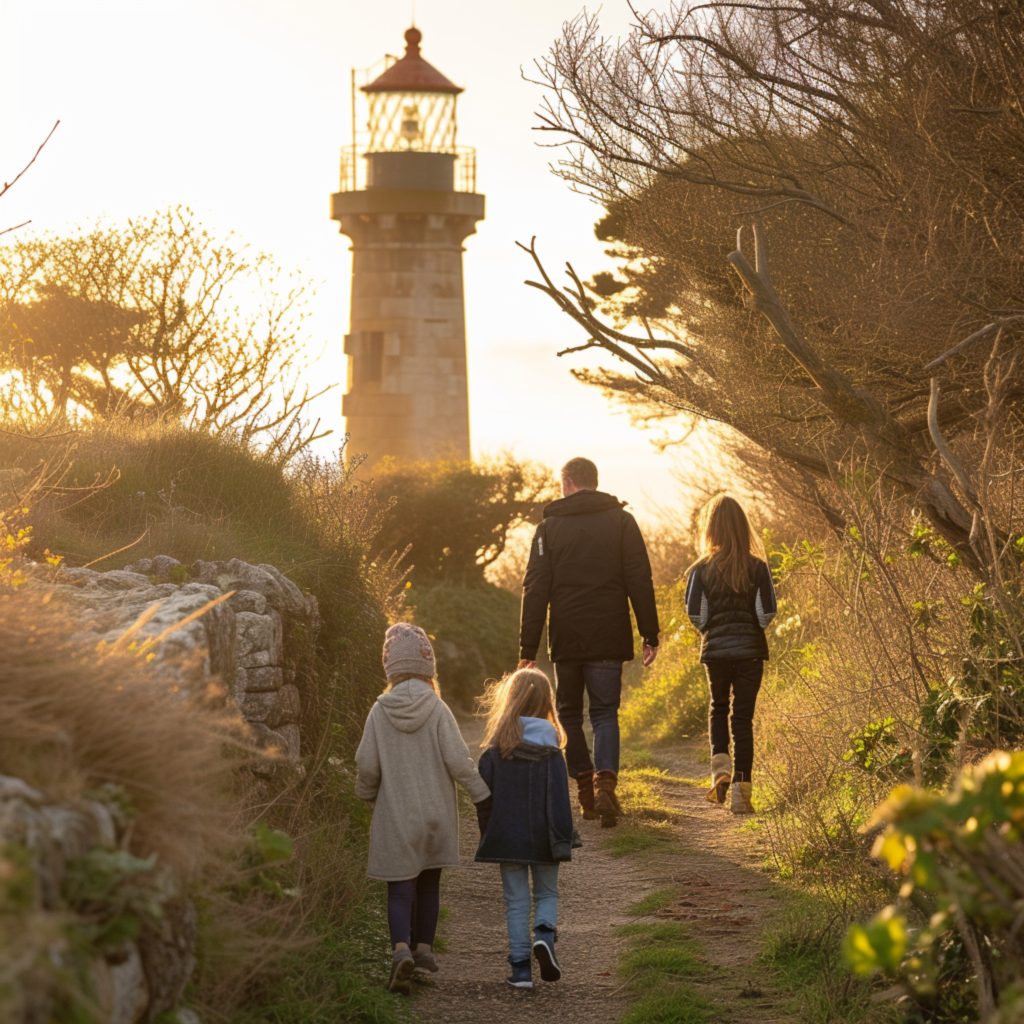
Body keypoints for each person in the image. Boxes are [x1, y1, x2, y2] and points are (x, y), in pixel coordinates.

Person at [519, 456, 660, 827]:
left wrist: (526, 649)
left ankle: (585, 787)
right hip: (609, 634)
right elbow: (639, 579)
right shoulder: (622, 522)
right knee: (604, 713)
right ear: (594, 483)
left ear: (566, 483)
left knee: (568, 714)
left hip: (567, 638)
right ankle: (605, 785)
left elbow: (535, 588)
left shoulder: (547, 529)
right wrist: (650, 634)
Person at [355, 623, 491, 994]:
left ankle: (401, 951)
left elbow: (367, 764)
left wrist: (366, 794)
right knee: (429, 886)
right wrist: (482, 795)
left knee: (400, 890)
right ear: (428, 668)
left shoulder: (379, 710)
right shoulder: (438, 707)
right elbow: (458, 760)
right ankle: (425, 950)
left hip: (396, 816)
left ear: (391, 670)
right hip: (436, 816)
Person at [475, 668, 576, 989]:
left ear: (510, 701)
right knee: (546, 893)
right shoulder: (553, 754)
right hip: (545, 837)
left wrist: (489, 834)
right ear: (547, 702)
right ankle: (544, 934)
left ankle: (520, 971)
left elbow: (484, 802)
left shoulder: (493, 754)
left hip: (506, 837)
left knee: (515, 901)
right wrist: (564, 839)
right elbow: (561, 801)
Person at [683, 495, 777, 815]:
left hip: (716, 653)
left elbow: (696, 615)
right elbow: (767, 614)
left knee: (718, 709)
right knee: (743, 720)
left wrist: (715, 630)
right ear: (742, 527)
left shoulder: (699, 570)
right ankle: (741, 793)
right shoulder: (758, 567)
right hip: (750, 652)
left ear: (710, 529)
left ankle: (719, 772)